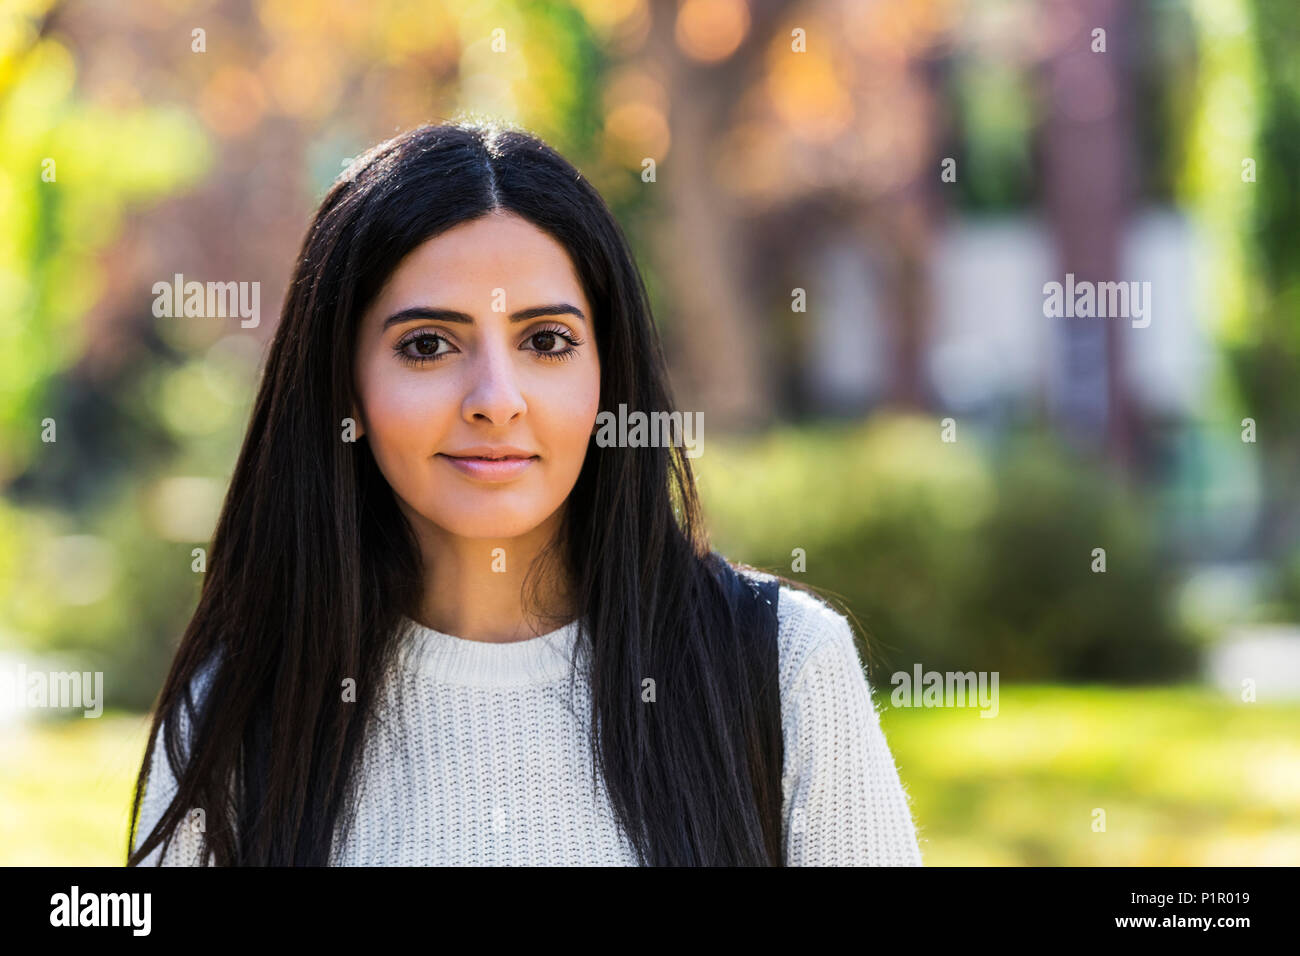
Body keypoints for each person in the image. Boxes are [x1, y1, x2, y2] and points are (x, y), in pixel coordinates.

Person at [127, 120, 923, 866]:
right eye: (428, 345)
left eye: (546, 342)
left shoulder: (782, 669)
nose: (496, 399)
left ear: (608, 375)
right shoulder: (238, 713)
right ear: (343, 388)